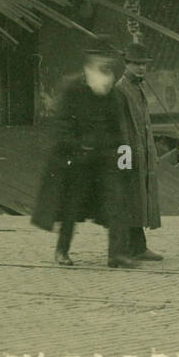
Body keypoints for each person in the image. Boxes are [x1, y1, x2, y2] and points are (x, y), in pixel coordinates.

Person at [31, 38, 138, 268]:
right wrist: (76, 146)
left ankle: (116, 254)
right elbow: (61, 125)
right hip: (76, 158)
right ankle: (62, 250)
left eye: (108, 61)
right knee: (71, 206)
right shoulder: (72, 87)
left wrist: (120, 157)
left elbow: (117, 127)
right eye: (100, 60)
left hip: (106, 159)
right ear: (91, 63)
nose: (105, 65)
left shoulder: (111, 90)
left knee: (116, 203)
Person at [115, 42, 163, 261]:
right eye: (136, 64)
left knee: (138, 199)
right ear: (126, 64)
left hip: (142, 151)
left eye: (144, 64)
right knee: (130, 199)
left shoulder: (139, 87)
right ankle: (130, 247)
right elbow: (120, 127)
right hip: (129, 153)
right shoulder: (121, 89)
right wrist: (124, 161)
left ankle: (137, 245)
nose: (141, 69)